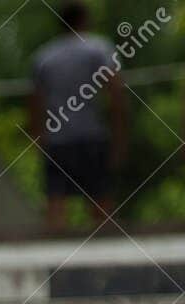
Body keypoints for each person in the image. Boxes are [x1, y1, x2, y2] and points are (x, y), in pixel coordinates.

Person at [29, 2, 126, 233]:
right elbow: (116, 94)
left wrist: (37, 136)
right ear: (84, 20)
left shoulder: (43, 57)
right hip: (92, 136)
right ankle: (110, 261)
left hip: (57, 138)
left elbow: (34, 102)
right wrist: (120, 135)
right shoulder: (99, 49)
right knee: (101, 204)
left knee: (55, 204)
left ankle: (55, 262)